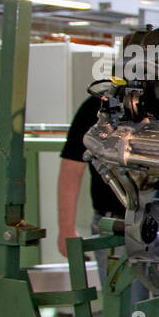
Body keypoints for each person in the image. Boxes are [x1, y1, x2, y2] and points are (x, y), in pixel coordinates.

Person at [58, 96, 124, 258]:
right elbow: (71, 170)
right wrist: (66, 229)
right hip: (113, 225)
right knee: (117, 282)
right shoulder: (99, 106)